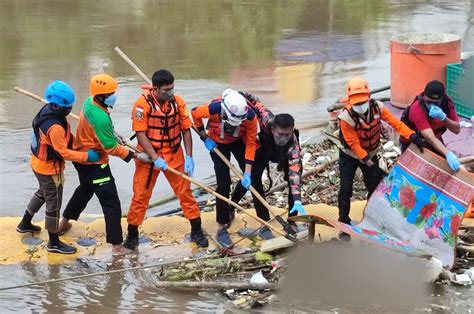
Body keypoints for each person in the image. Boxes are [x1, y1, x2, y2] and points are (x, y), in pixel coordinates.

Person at [123, 69, 208, 250]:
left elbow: (186, 129)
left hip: (174, 152)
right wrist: (154, 157)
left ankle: (196, 229)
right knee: (140, 195)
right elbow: (140, 134)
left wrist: (189, 157)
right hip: (149, 156)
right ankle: (132, 234)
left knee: (185, 192)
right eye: (166, 90)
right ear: (155, 89)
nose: (170, 93)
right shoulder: (141, 105)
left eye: (172, 88)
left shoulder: (177, 103)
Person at [17, 81, 100, 254]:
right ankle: (54, 242)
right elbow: (64, 153)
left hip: (37, 164)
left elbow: (65, 137)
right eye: (66, 106)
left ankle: (25, 223)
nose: (69, 109)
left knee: (42, 193)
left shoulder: (47, 111)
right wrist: (86, 156)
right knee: (53, 205)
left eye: (70, 105)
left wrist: (77, 142)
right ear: (55, 105)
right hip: (50, 169)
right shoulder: (54, 127)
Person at [337, 77, 423, 240]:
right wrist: (371, 165)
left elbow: (395, 124)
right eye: (356, 103)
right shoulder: (345, 118)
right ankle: (344, 223)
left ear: (369, 97)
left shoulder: (378, 108)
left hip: (370, 151)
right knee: (345, 190)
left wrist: (412, 136)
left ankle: (372, 220)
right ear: (350, 102)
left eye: (362, 102)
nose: (359, 106)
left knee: (375, 187)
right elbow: (354, 145)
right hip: (349, 155)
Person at [59, 74, 135, 256]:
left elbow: (103, 132)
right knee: (112, 204)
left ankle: (62, 225)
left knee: (85, 190)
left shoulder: (89, 102)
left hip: (81, 159)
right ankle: (117, 247)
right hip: (95, 163)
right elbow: (110, 147)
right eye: (110, 93)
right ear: (101, 96)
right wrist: (134, 155)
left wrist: (112, 133)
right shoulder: (101, 117)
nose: (113, 96)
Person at [230, 92, 305, 238]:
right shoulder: (267, 120)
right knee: (251, 179)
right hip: (264, 150)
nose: (283, 138)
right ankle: (238, 211)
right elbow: (256, 104)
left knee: (293, 184)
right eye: (280, 134)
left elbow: (294, 176)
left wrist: (297, 199)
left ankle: (292, 221)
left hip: (283, 155)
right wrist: (240, 96)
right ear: (272, 129)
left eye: (287, 135)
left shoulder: (293, 147)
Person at [191, 88, 258, 248]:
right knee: (223, 184)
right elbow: (194, 113)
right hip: (216, 143)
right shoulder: (214, 108)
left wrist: (247, 172)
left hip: (237, 142)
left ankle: (232, 206)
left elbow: (250, 143)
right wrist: (203, 136)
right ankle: (221, 226)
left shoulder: (249, 116)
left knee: (250, 178)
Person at [400, 80, 461, 172]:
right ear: (424, 96)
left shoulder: (447, 103)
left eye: (435, 103)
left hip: (436, 140)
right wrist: (448, 153)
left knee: (443, 172)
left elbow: (456, 129)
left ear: (442, 99)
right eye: (428, 102)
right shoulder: (417, 109)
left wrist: (444, 118)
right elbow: (429, 138)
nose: (431, 105)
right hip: (414, 142)